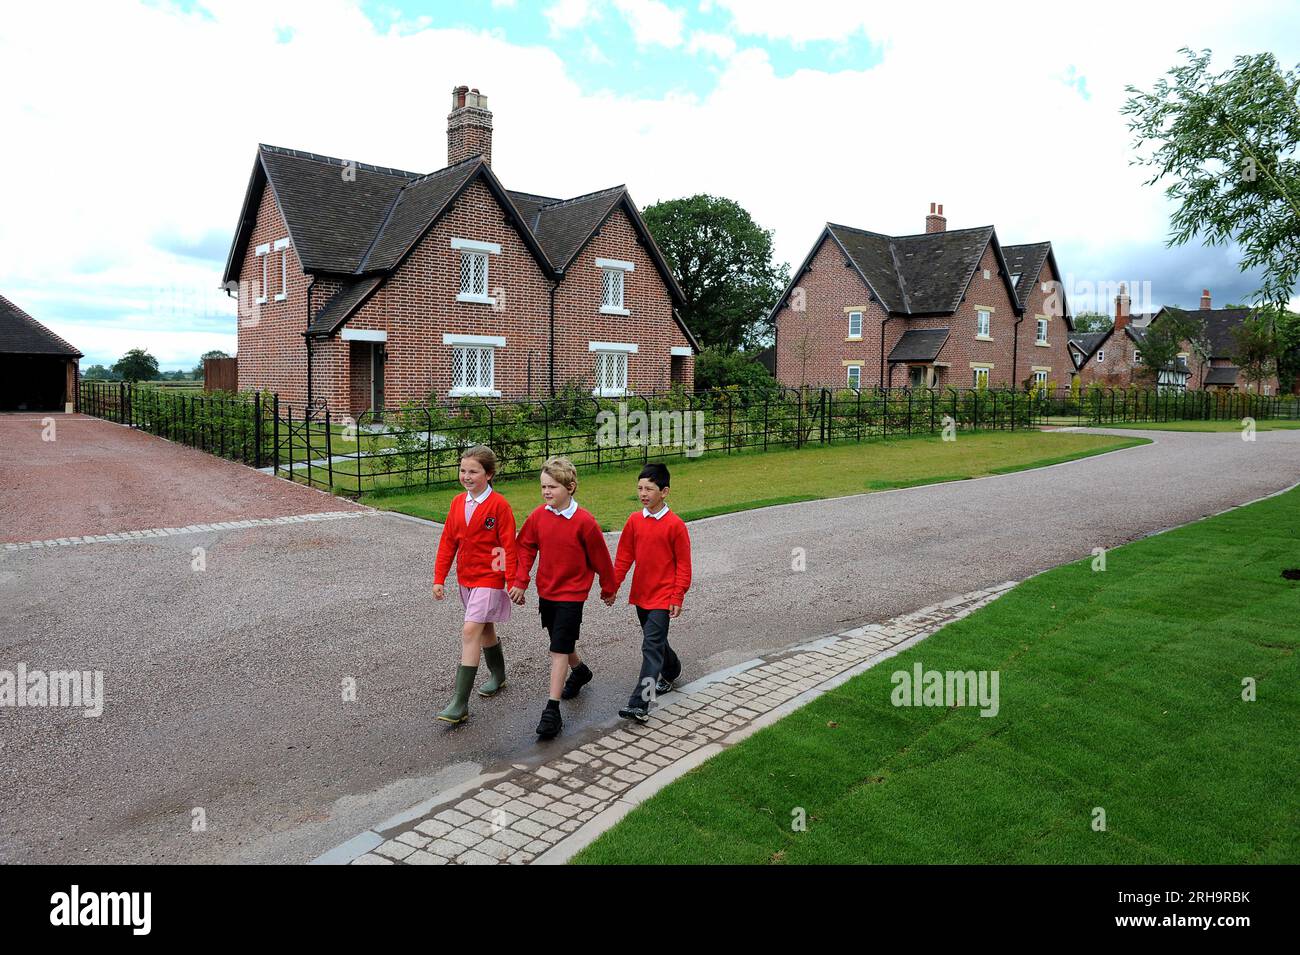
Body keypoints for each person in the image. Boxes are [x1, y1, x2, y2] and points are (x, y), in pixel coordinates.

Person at [508, 457, 616, 739]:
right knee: (559, 640)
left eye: (552, 487)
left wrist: (608, 587)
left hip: (572, 593)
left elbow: (601, 559)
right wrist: (521, 581)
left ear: (570, 487)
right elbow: (526, 548)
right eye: (543, 486)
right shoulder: (538, 516)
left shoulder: (585, 522)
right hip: (547, 590)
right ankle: (579, 671)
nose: (546, 492)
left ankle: (551, 711)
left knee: (557, 649)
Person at [432, 445, 517, 724]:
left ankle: (460, 703)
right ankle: (499, 674)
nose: (466, 476)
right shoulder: (458, 503)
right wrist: (439, 578)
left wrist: (513, 581)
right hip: (466, 579)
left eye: (473, 471)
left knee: (470, 630)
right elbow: (448, 542)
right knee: (484, 629)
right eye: (463, 470)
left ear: (489, 474)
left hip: (490, 579)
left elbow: (508, 546)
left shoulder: (499, 505)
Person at [606, 462, 692, 723]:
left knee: (650, 646)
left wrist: (677, 596)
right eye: (640, 488)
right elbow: (624, 558)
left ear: (664, 492)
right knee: (657, 643)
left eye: (649, 489)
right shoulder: (634, 521)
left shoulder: (675, 525)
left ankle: (640, 703)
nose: (643, 493)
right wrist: (612, 587)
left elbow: (684, 566)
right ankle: (672, 670)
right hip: (641, 596)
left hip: (663, 598)